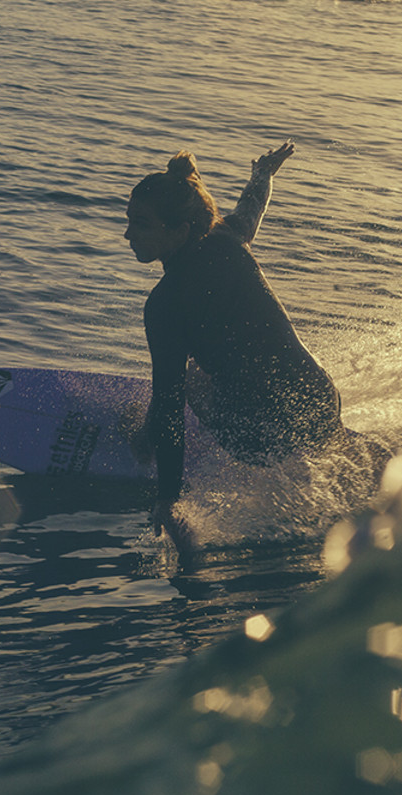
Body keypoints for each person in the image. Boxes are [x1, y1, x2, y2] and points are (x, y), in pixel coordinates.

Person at [124, 142, 345, 551]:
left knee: (187, 378)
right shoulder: (228, 238)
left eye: (140, 224)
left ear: (179, 230)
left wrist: (169, 497)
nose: (127, 234)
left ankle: (141, 441)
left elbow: (171, 406)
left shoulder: (165, 304)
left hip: (266, 437)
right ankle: (334, 442)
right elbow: (250, 210)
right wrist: (263, 176)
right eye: (128, 220)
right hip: (323, 403)